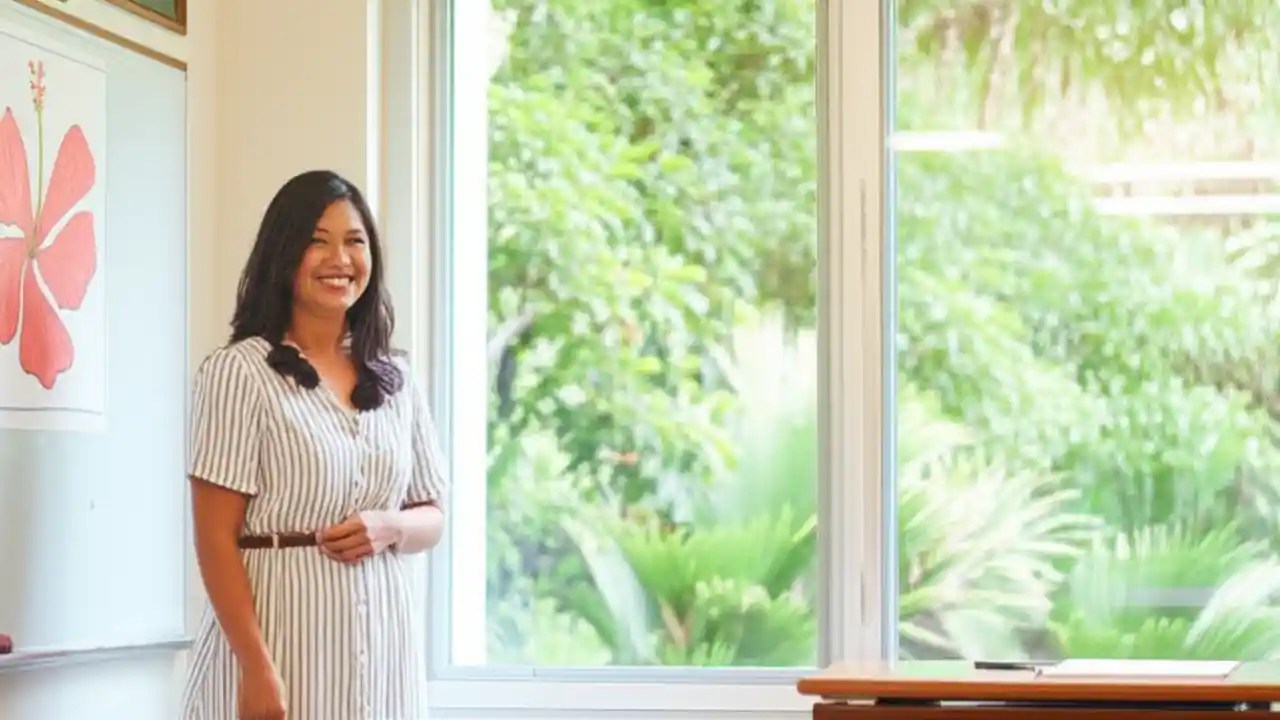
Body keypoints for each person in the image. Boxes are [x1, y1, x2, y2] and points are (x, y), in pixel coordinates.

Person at [181, 170, 447, 720]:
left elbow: (434, 516)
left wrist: (392, 526)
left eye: (355, 240)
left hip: (385, 652)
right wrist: (256, 668)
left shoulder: (396, 377)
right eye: (317, 241)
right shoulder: (238, 373)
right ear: (283, 255)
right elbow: (213, 540)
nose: (340, 258)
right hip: (280, 645)